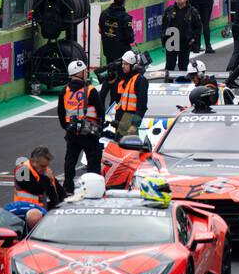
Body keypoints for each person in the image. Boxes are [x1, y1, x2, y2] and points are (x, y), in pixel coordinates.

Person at [58, 60, 106, 194]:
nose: (87, 73)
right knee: (93, 160)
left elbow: (61, 113)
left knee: (70, 160)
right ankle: (92, 187)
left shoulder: (64, 91)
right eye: (85, 71)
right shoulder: (90, 90)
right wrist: (99, 127)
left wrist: (67, 127)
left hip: (72, 131)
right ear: (80, 73)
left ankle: (68, 187)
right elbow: (100, 111)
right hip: (89, 131)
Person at [107, 51, 149, 138]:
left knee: (128, 147)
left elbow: (142, 106)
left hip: (130, 118)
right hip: (120, 117)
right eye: (122, 63)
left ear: (134, 66)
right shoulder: (123, 79)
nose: (122, 66)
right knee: (119, 147)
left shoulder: (140, 80)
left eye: (126, 64)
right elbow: (118, 99)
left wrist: (134, 125)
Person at [161, 0, 201, 78]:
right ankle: (167, 84)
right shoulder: (169, 10)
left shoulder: (192, 11)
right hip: (171, 43)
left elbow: (198, 27)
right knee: (169, 66)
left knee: (183, 66)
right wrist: (164, 38)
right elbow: (164, 26)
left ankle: (183, 85)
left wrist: (193, 39)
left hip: (185, 43)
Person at [13, 146, 63, 210]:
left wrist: (65, 200)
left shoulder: (44, 170)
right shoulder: (21, 171)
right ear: (33, 161)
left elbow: (56, 188)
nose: (45, 168)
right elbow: (36, 189)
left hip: (40, 209)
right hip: (25, 210)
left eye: (47, 165)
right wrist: (47, 178)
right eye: (42, 166)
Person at [99, 0, 136, 65]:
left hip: (108, 49)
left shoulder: (104, 13)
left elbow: (100, 30)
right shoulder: (125, 17)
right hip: (122, 52)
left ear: (114, 0)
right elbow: (129, 37)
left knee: (110, 71)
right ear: (124, 2)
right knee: (121, 72)